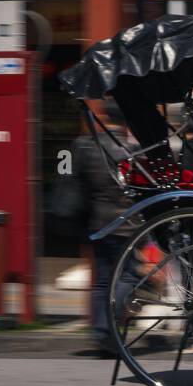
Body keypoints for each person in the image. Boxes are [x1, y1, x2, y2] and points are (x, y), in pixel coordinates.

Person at [73, 101, 141, 357]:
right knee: (128, 277)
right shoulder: (132, 149)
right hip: (129, 223)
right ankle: (113, 321)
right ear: (126, 122)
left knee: (102, 281)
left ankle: (100, 331)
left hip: (99, 221)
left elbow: (73, 176)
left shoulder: (90, 147)